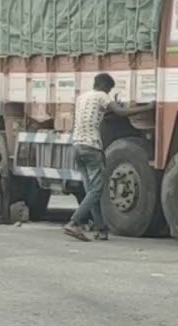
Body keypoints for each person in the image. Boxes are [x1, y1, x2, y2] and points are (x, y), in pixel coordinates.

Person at [63, 73, 154, 241]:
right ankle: (74, 223)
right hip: (91, 148)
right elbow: (120, 112)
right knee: (97, 190)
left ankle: (100, 228)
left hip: (76, 147)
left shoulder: (81, 98)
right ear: (106, 86)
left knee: (91, 190)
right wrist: (147, 108)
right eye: (110, 89)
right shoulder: (102, 96)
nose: (110, 93)